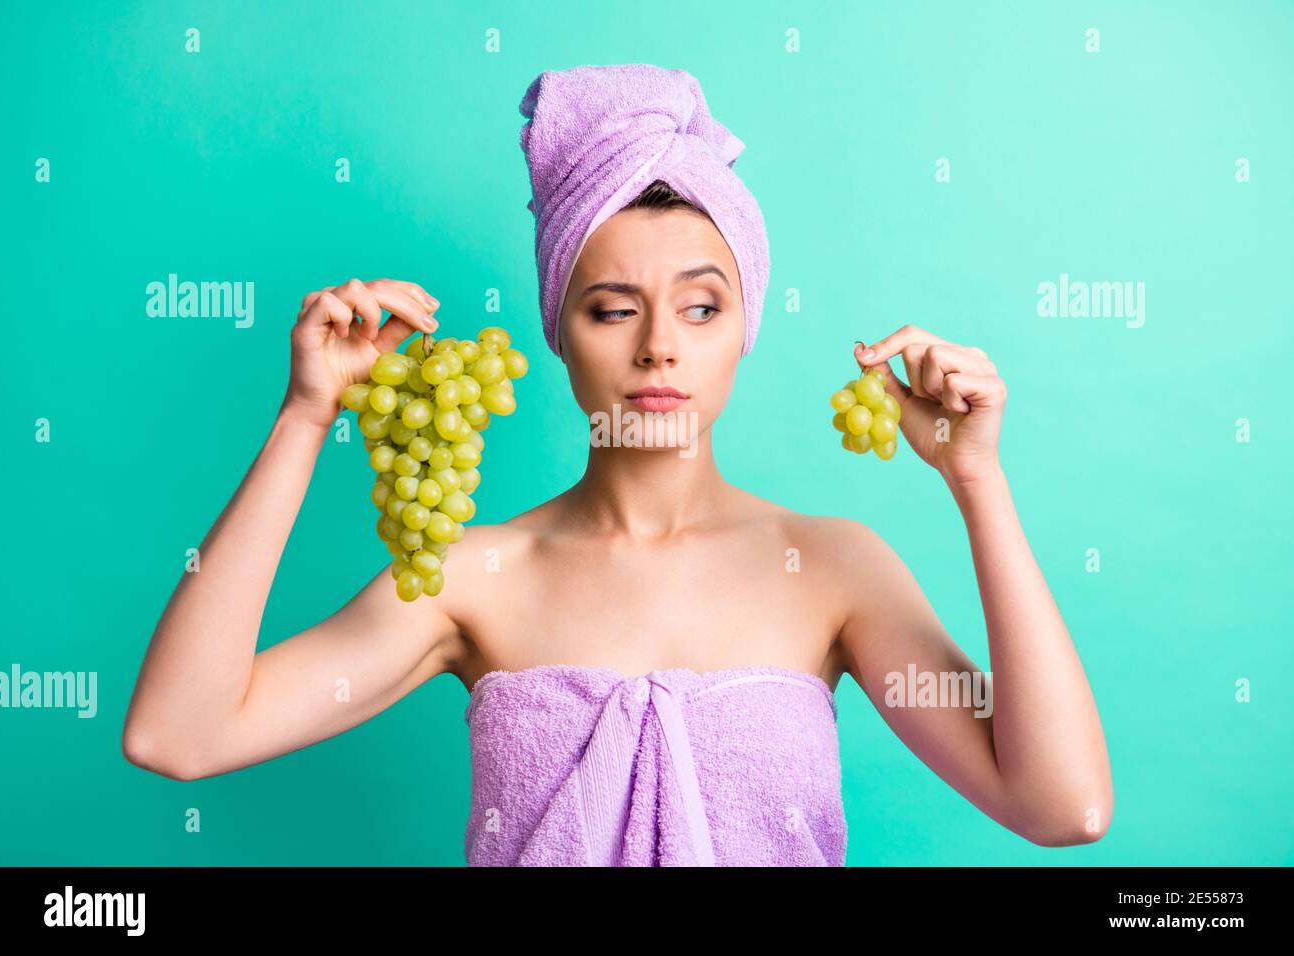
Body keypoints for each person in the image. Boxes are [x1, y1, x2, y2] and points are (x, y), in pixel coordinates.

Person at [122, 64, 1112, 866]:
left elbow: (1062, 804)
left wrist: (977, 482)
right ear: (558, 330)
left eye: (699, 305)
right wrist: (306, 415)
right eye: (610, 307)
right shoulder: (467, 577)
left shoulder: (835, 567)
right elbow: (178, 733)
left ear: (744, 328)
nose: (658, 348)